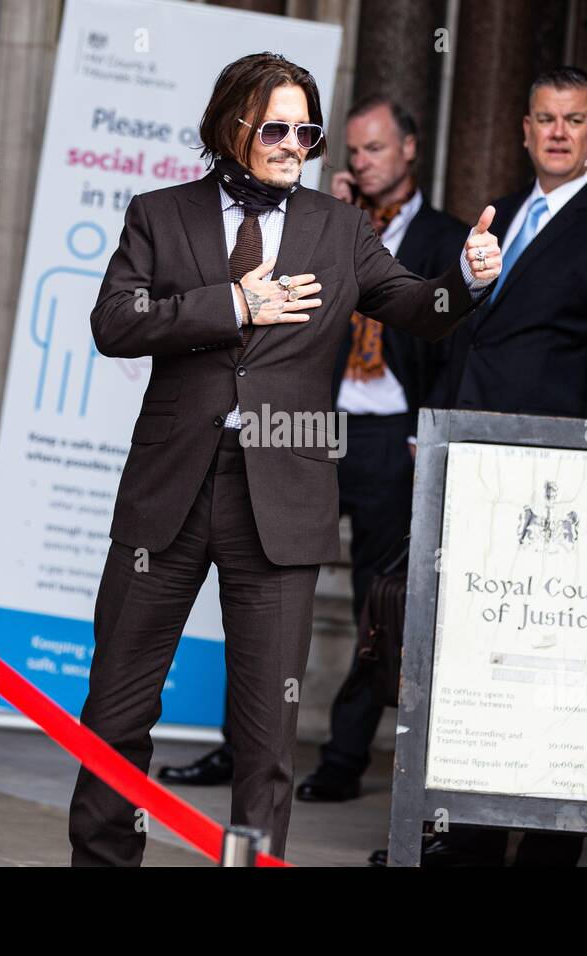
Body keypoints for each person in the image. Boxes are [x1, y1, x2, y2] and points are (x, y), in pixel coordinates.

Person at [68, 52, 502, 865]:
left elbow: (417, 306)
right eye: (275, 127)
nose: (293, 143)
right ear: (232, 124)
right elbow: (114, 322)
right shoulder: (161, 214)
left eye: (308, 130)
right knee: (116, 712)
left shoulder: (340, 229)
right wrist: (233, 303)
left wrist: (466, 281)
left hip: (281, 497)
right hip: (167, 493)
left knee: (267, 734)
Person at [371, 66, 587, 867]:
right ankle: (461, 840)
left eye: (575, 119)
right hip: (470, 482)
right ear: (526, 128)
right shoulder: (498, 216)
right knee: (472, 670)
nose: (560, 131)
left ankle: (543, 855)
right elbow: (456, 334)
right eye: (545, 118)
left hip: (552, 503)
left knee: (549, 684)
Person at [158, 95, 470, 799]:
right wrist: (319, 224)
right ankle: (239, 750)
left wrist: (434, 429)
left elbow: (445, 332)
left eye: (376, 149)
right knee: (253, 576)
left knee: (375, 603)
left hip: (396, 438)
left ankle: (342, 760)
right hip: (304, 425)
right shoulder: (316, 222)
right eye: (353, 149)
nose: (361, 160)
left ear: (409, 151)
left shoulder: (441, 232)